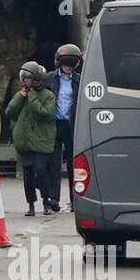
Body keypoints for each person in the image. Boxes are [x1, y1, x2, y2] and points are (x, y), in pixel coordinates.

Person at [0, 0, 37, 144]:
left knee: (20, 99)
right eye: (6, 1)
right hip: (2, 64)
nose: (9, 4)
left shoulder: (23, 20)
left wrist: (31, 44)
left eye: (11, 1)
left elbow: (32, 38)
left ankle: (16, 134)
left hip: (20, 64)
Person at [4, 61, 56, 216]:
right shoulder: (22, 95)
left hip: (41, 142)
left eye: (28, 78)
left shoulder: (48, 96)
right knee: (27, 174)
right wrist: (20, 97)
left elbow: (43, 113)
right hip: (24, 142)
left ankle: (46, 201)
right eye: (24, 78)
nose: (24, 81)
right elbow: (10, 112)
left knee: (40, 171)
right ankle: (31, 204)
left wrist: (32, 95)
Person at [42, 43, 83, 212]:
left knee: (76, 164)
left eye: (71, 63)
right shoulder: (48, 79)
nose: (68, 67)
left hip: (73, 125)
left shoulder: (80, 80)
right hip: (54, 124)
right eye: (65, 63)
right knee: (54, 163)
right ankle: (53, 198)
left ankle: (77, 201)